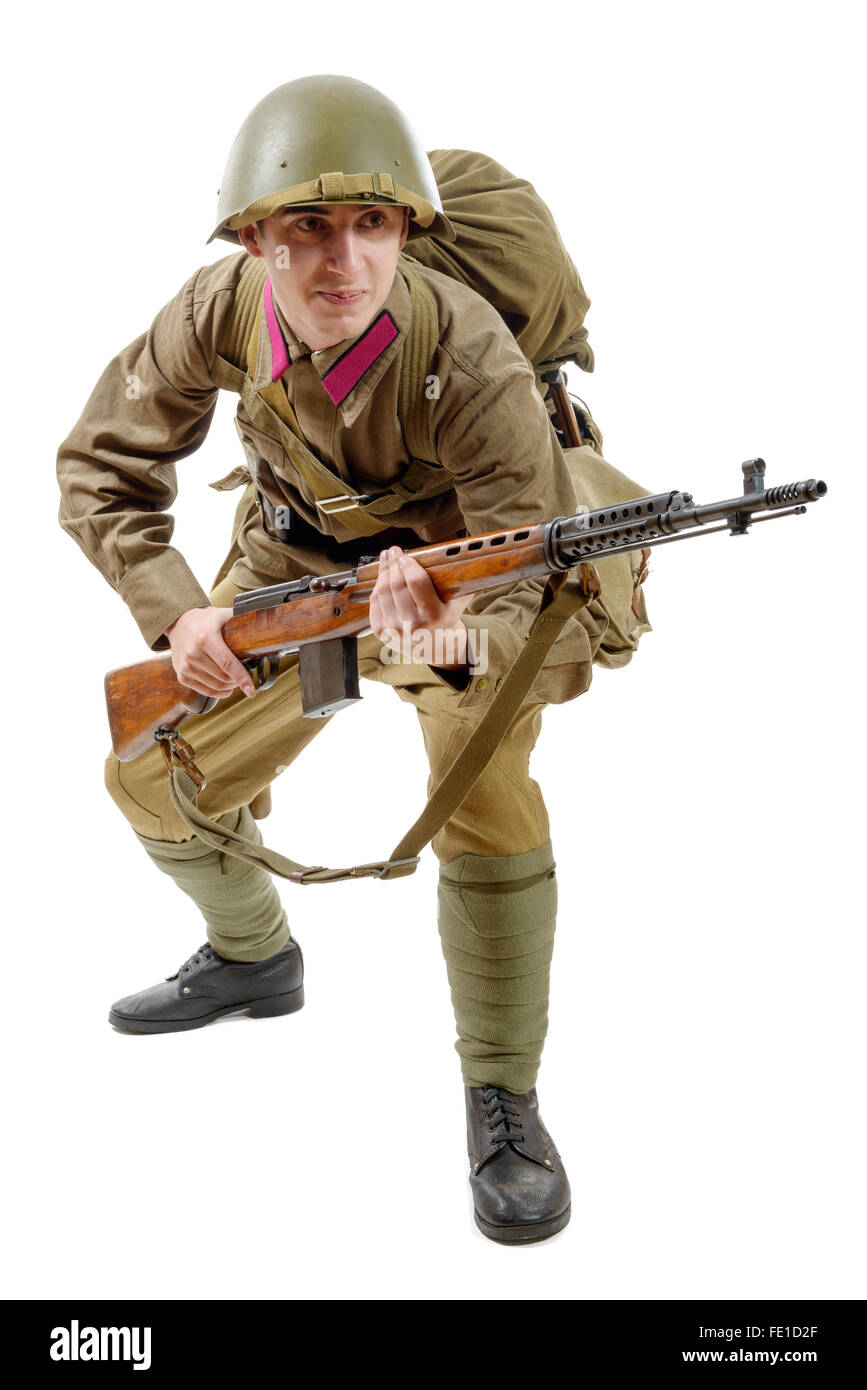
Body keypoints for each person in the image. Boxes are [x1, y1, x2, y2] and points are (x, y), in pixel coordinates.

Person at [56, 74, 609, 1244]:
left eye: (371, 225)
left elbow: (524, 592)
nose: (340, 262)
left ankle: (502, 1095)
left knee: (486, 793)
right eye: (306, 226)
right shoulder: (215, 310)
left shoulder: (467, 351)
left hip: (454, 585)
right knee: (152, 772)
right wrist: (177, 618)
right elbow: (101, 469)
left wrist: (444, 638)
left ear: (406, 229)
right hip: (287, 572)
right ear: (254, 237)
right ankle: (254, 957)